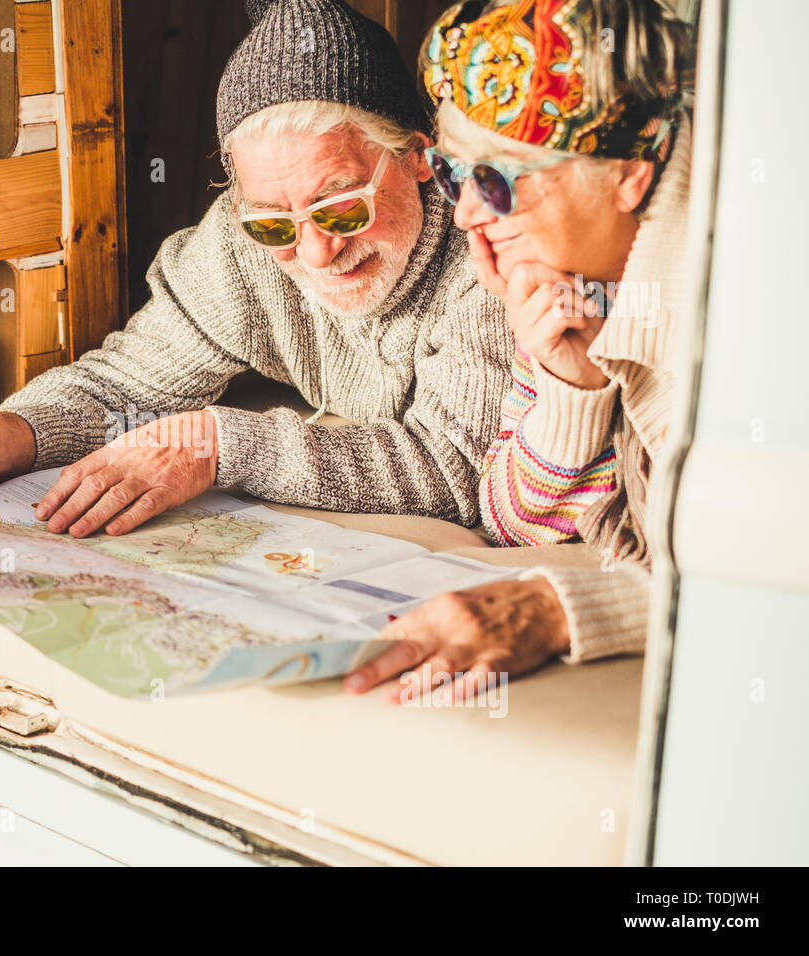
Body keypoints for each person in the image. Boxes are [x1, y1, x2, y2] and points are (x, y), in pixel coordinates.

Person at [0, 0, 511, 539]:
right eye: (274, 223)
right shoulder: (240, 246)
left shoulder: (485, 249)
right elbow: (128, 383)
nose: (316, 253)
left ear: (420, 157)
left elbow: (454, 467)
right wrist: (6, 433)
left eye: (342, 207)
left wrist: (218, 445)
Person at [345, 0, 694, 700]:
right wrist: (571, 387)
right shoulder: (564, 276)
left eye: (499, 180)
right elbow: (508, 522)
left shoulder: (735, 297)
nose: (467, 214)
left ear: (629, 171)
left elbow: (765, 568)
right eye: (450, 174)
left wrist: (559, 608)